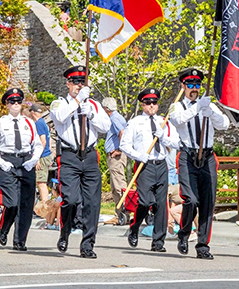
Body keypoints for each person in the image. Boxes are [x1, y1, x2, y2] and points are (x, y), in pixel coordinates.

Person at [49, 65, 111, 258]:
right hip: (69, 156)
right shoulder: (59, 103)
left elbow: (106, 126)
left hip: (90, 156)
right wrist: (77, 101)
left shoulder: (93, 104)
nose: (79, 86)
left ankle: (87, 245)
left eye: (82, 82)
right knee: (71, 200)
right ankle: (65, 232)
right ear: (68, 84)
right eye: (75, 82)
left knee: (92, 203)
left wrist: (91, 113)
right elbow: (59, 117)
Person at [169, 67, 229, 259]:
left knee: (207, 203)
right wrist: (197, 108)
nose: (194, 88)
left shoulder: (208, 105)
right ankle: (184, 233)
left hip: (208, 157)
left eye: (197, 85)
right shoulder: (178, 105)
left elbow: (225, 124)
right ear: (183, 86)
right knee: (191, 200)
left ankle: (203, 245)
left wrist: (209, 111)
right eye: (190, 85)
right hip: (188, 156)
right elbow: (177, 121)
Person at [120, 88, 179, 252]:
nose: (152, 106)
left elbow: (176, 142)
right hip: (144, 165)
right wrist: (138, 155)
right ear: (142, 104)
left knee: (161, 204)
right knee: (145, 202)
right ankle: (135, 226)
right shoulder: (135, 122)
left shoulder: (164, 121)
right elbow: (124, 145)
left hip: (161, 164)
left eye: (154, 102)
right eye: (148, 103)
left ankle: (158, 242)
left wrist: (164, 137)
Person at [0, 88, 42, 251]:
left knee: (26, 204)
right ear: (6, 104)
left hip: (26, 161)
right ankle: (4, 228)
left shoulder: (29, 123)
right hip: (7, 161)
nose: (16, 105)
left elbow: (37, 145)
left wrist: (33, 160)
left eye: (18, 102)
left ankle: (20, 240)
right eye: (12, 102)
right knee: (11, 203)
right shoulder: (0, 123)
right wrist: (1, 162)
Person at [101, 97, 129, 226]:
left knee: (118, 185)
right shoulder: (115, 118)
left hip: (116, 156)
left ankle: (123, 214)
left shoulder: (115, 118)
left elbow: (122, 133)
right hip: (114, 156)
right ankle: (119, 213)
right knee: (115, 185)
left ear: (106, 108)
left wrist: (119, 149)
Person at [29, 104, 52, 203]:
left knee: (41, 183)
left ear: (32, 112)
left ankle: (44, 208)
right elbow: (49, 140)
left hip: (42, 156)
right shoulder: (44, 123)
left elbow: (43, 141)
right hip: (46, 154)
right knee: (39, 182)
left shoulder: (38, 124)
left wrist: (37, 157)